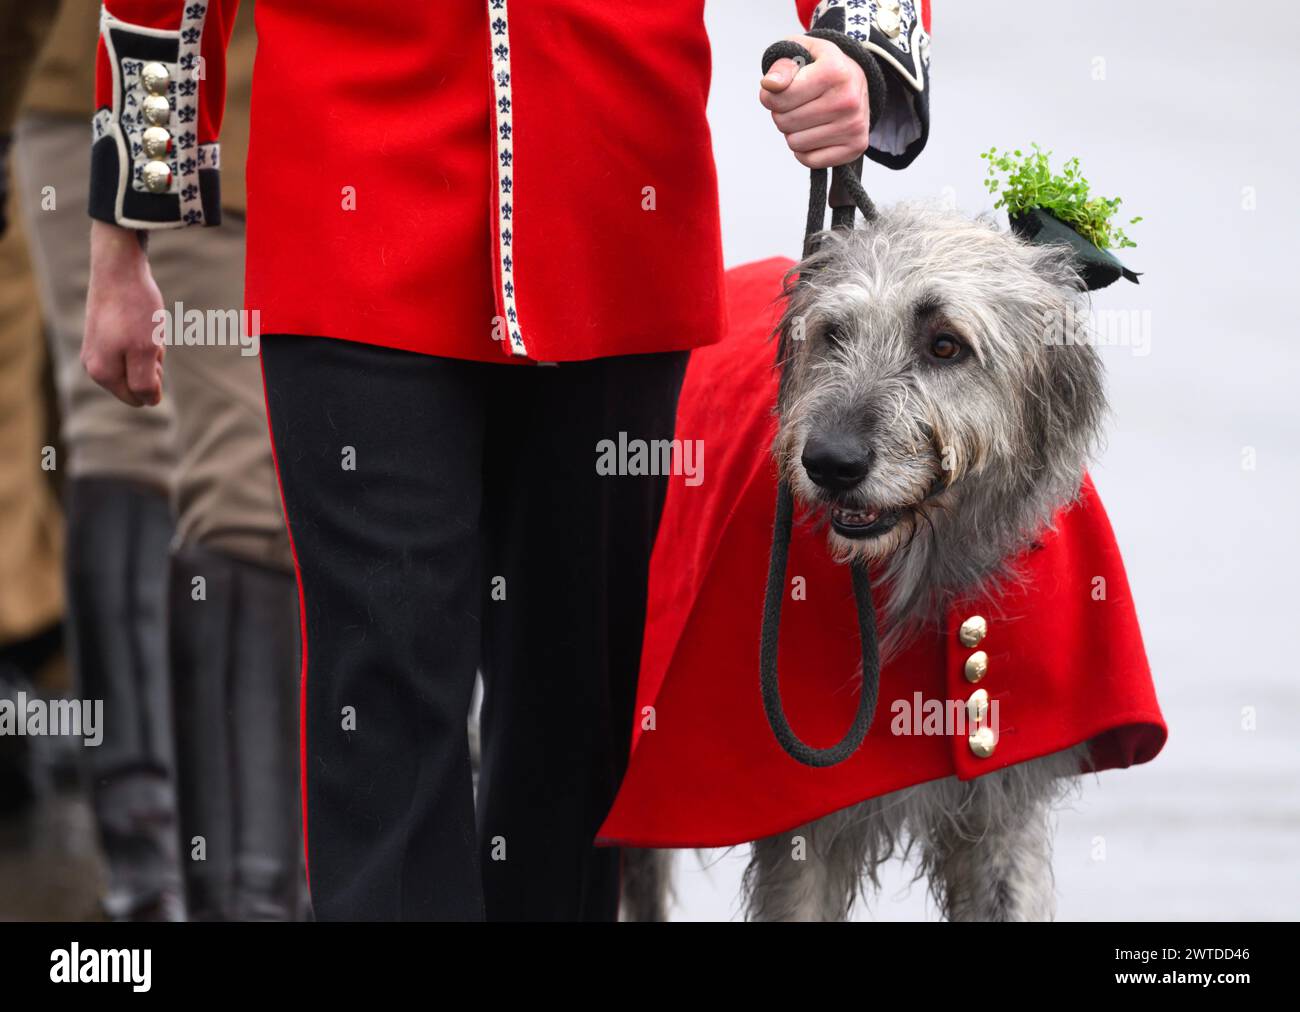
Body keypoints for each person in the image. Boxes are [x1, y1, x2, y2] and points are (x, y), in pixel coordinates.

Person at [81, 0, 932, 920]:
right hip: (353, 232)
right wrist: (122, 235)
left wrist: (860, 55)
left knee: (573, 705)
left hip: (616, 221)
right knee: (384, 702)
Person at [11, 0, 306, 920]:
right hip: (181, 90)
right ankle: (223, 886)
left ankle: (158, 863)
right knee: (231, 486)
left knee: (136, 445)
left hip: (124, 88)